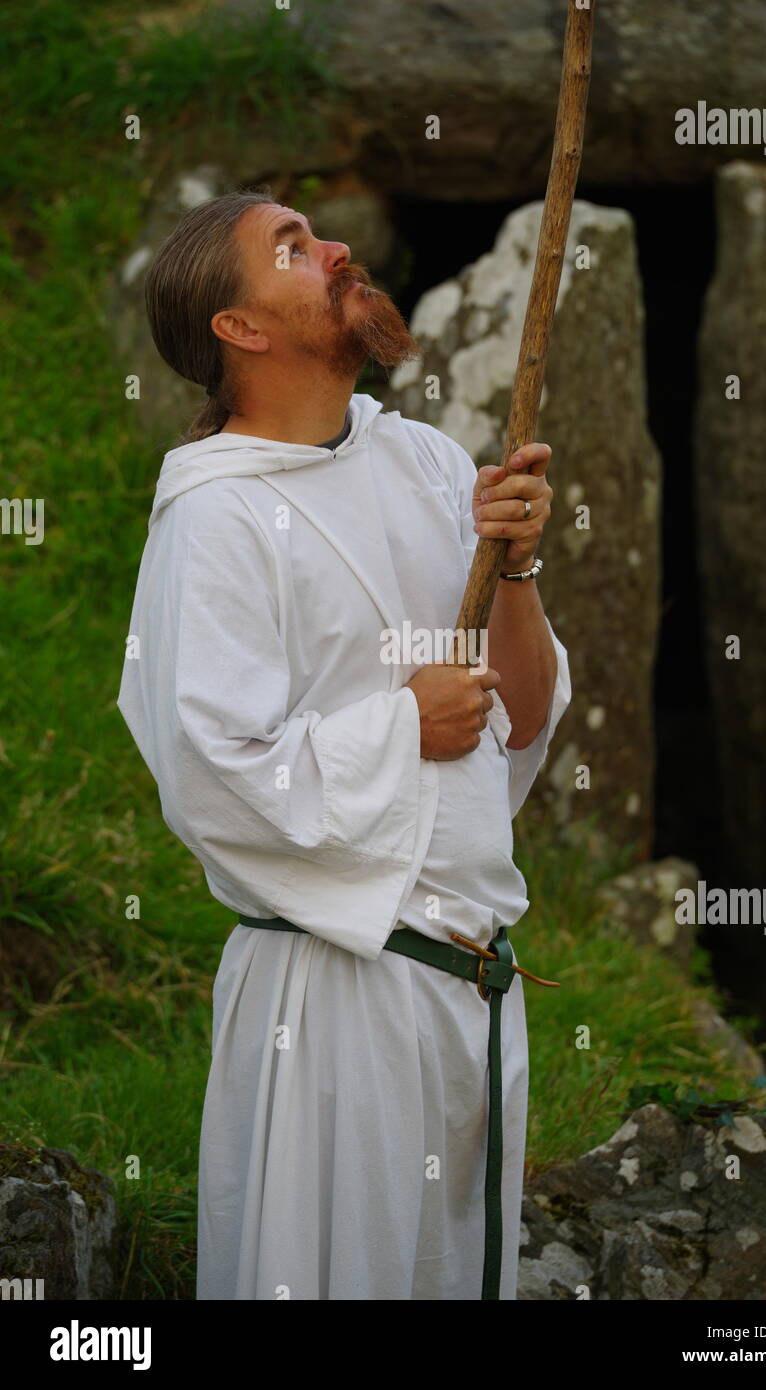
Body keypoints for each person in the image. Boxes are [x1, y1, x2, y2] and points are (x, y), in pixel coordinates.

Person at [117, 189, 571, 1300]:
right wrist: (401, 725)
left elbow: (518, 710)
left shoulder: (415, 457)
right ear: (242, 330)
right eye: (291, 248)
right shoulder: (212, 519)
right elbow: (210, 774)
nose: (333, 250)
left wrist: (509, 567)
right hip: (335, 999)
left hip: (470, 983)